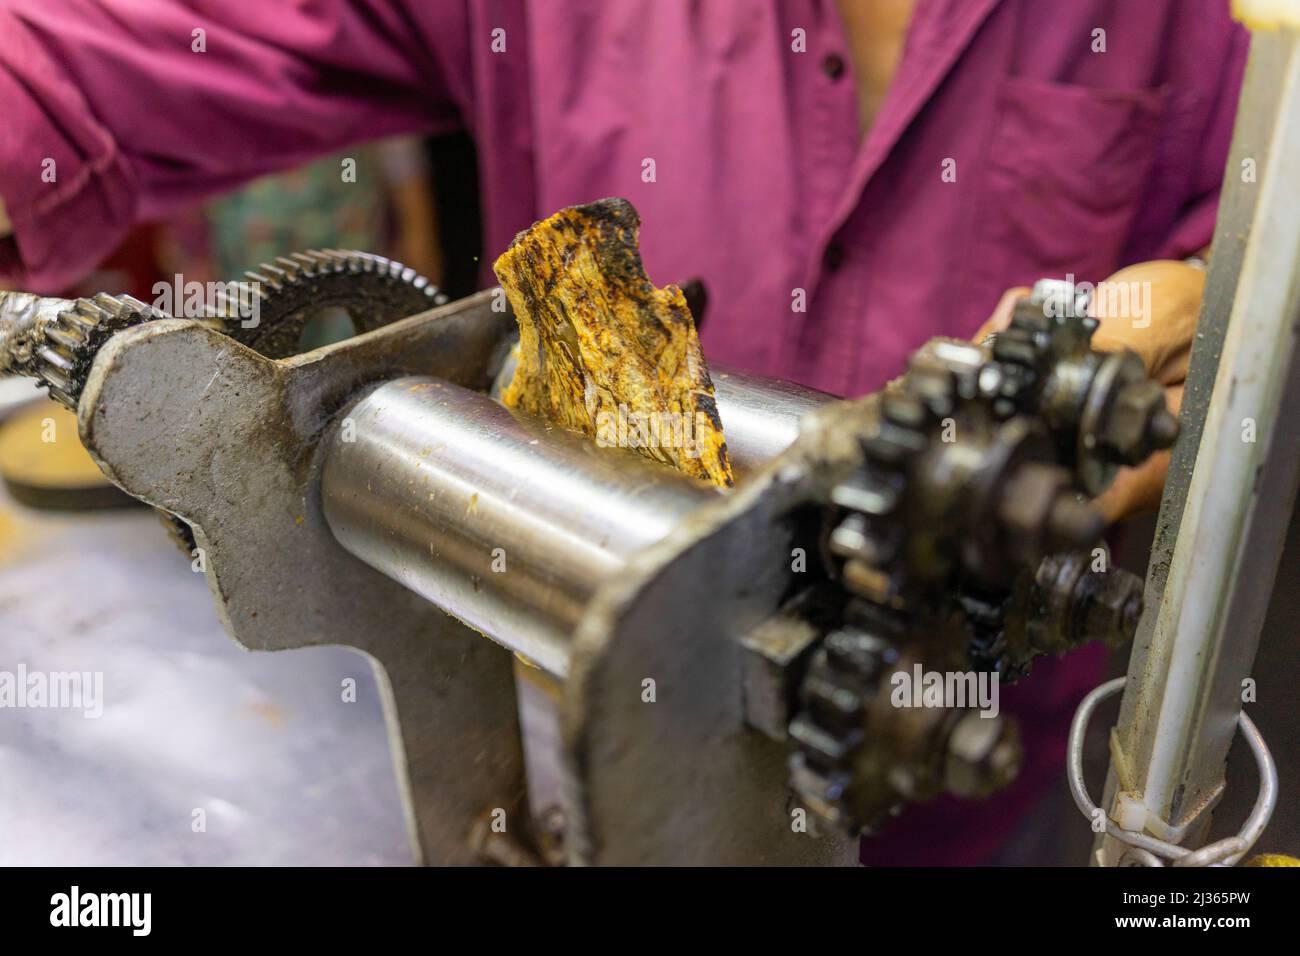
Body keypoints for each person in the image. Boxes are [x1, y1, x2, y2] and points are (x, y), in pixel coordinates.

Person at [0, 0, 1248, 864]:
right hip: (581, 723)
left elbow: (1256, 253)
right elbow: (105, 59)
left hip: (970, 775)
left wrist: (1220, 316)